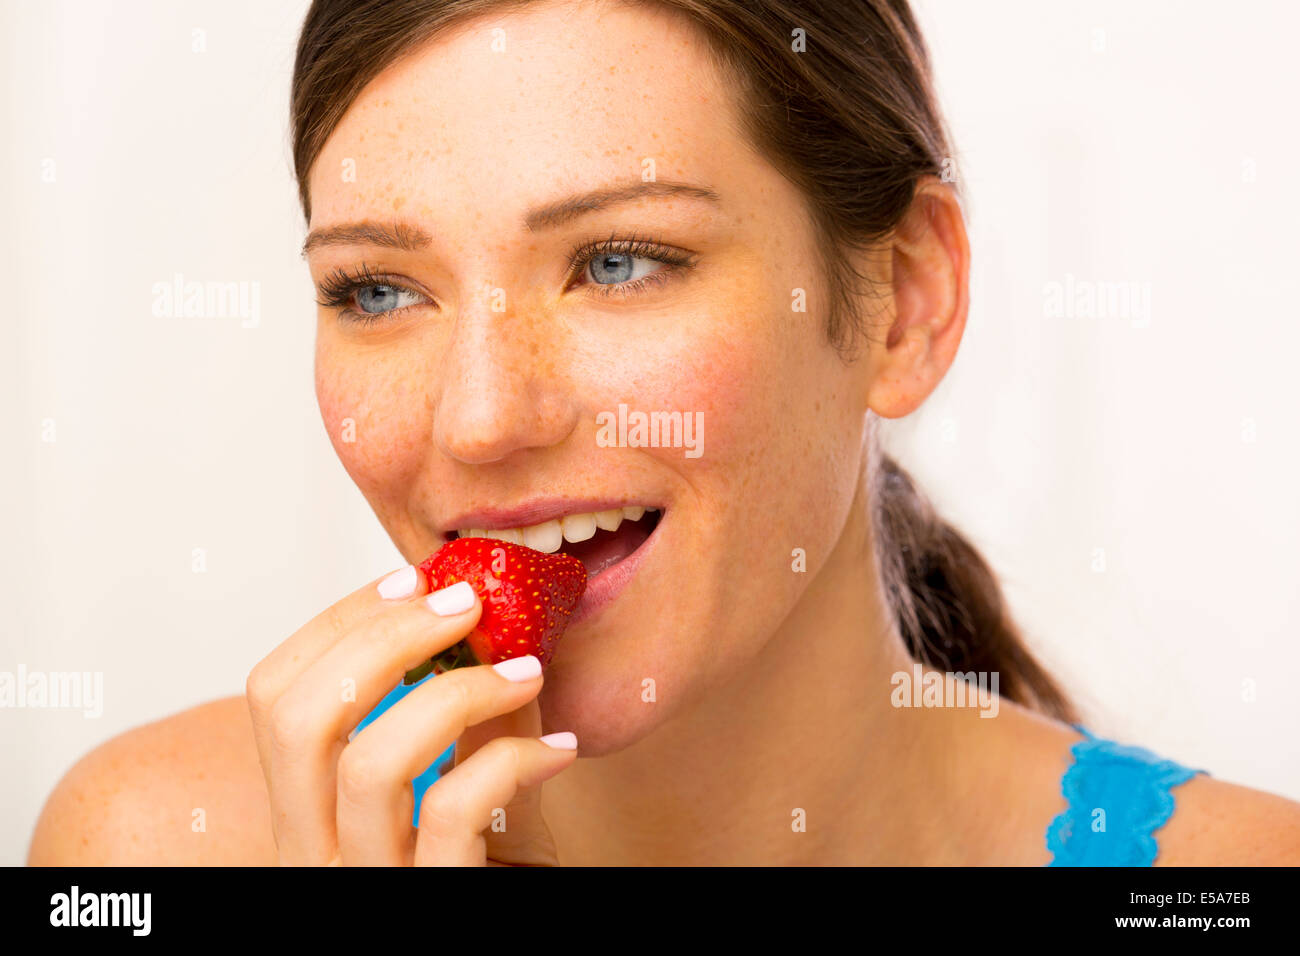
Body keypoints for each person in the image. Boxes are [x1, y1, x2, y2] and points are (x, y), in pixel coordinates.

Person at [28, 0, 1300, 866]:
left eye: (621, 261)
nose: (479, 420)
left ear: (906, 302)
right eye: (377, 289)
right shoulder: (151, 842)